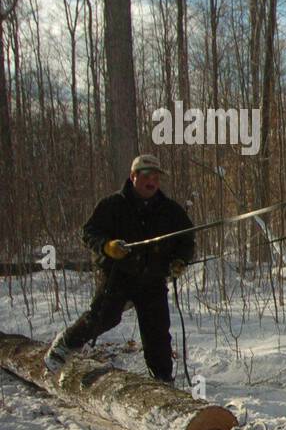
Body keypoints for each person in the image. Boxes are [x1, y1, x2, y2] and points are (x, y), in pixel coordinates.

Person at [44, 154, 195, 384]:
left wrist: (180, 261)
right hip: (118, 276)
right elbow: (89, 232)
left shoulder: (171, 210)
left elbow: (186, 241)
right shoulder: (112, 205)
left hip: (153, 279)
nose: (152, 181)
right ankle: (63, 347)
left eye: (155, 177)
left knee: (157, 332)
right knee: (103, 318)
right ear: (133, 177)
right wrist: (107, 246)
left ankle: (162, 380)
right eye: (146, 176)